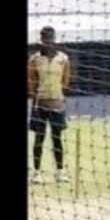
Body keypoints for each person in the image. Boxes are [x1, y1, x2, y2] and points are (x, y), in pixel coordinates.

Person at [27, 26, 72, 183]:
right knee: (39, 138)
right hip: (39, 104)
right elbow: (31, 81)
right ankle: (36, 173)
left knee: (57, 138)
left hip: (57, 103)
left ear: (54, 39)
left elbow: (65, 82)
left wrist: (60, 98)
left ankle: (60, 172)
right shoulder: (34, 59)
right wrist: (34, 100)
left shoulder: (63, 59)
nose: (48, 42)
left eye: (50, 38)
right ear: (41, 40)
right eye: (45, 39)